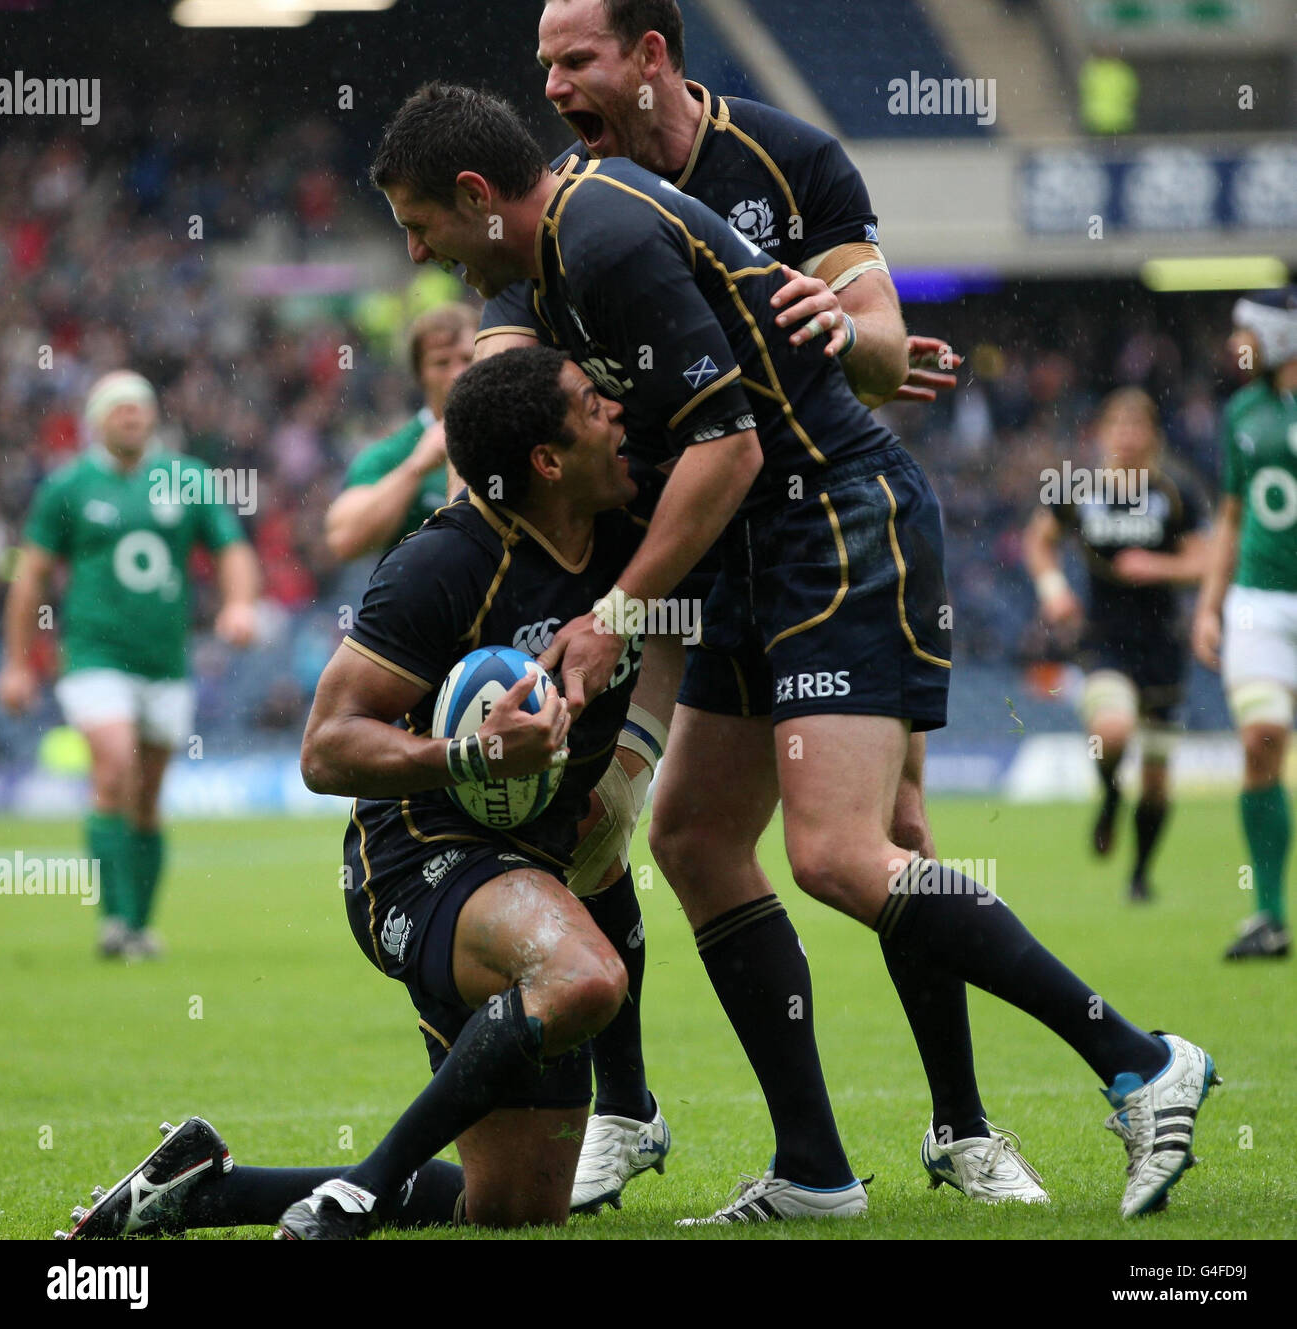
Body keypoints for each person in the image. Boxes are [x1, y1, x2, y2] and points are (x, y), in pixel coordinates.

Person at [368, 80, 1219, 1222]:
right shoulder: (569, 244)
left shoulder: (609, 226)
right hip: (763, 550)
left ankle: (1138, 1063)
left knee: (842, 852)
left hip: (832, 523)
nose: (423, 256)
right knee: (698, 837)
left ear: (475, 197)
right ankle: (815, 1169)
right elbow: (565, 379)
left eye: (421, 229)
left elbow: (729, 453)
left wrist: (611, 614)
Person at [477, 0, 1040, 1216]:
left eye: (575, 60)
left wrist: (846, 329)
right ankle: (636, 1116)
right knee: (617, 822)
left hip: (805, 527)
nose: (556, 86)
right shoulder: (571, 212)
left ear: (650, 57)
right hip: (672, 554)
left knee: (882, 827)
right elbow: (498, 377)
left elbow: (885, 350)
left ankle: (963, 1123)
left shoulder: (788, 160)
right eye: (543, 66)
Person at [61, 347, 650, 1240]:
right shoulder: (447, 561)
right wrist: (472, 755)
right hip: (419, 859)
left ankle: (207, 1188)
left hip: (540, 864)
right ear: (547, 460)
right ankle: (360, 1189)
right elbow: (325, 748)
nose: (616, 411)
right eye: (589, 403)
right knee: (587, 976)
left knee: (517, 1209)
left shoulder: (636, 526)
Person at [0, 370, 259, 960]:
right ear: (95, 420)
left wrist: (240, 604)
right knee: (113, 767)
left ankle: (139, 927)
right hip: (94, 654)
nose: (132, 415)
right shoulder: (67, 487)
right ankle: (113, 921)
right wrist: (18, 664)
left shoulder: (186, 478)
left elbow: (230, 548)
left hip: (165, 661)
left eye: (141, 406)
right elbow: (32, 574)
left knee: (146, 796)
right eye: (119, 408)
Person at [1023, 388, 1209, 901]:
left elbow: (1208, 561)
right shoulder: (1077, 486)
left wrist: (1161, 567)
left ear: (1151, 435)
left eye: (1136, 427)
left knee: (1156, 781)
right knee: (1111, 731)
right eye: (1117, 427)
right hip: (1103, 642)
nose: (1126, 438)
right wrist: (1054, 589)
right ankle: (1108, 798)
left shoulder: (1177, 490)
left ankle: (1140, 876)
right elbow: (1038, 540)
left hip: (1163, 648)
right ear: (1101, 433)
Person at [1193, 289, 1297, 959]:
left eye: (1245, 331)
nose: (1235, 345)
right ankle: (1268, 914)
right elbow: (1231, 516)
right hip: (1258, 604)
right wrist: (1209, 601)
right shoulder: (1241, 413)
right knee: (1262, 739)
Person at [325, 302, 476, 561]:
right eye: (441, 363)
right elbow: (343, 541)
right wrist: (415, 468)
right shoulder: (393, 453)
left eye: (467, 358)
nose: (457, 374)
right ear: (420, 374)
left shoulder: (521, 436)